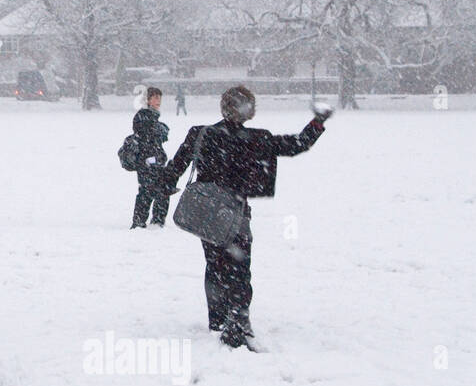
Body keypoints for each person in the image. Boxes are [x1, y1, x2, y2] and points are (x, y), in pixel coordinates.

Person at [162, 85, 332, 350]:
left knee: (214, 265)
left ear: (224, 107)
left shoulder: (201, 134)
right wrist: (318, 121)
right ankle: (238, 323)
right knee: (239, 270)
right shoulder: (257, 139)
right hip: (236, 215)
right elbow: (298, 144)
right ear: (249, 111)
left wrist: (166, 185)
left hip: (207, 214)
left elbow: (174, 169)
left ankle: (217, 320)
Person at [131, 86, 171, 228]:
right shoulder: (144, 116)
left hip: (155, 159)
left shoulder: (152, 116)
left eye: (159, 97)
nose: (158, 100)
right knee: (148, 191)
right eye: (154, 97)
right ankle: (142, 221)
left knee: (157, 190)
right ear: (147, 100)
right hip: (147, 160)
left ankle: (154, 220)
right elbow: (146, 139)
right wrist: (150, 158)